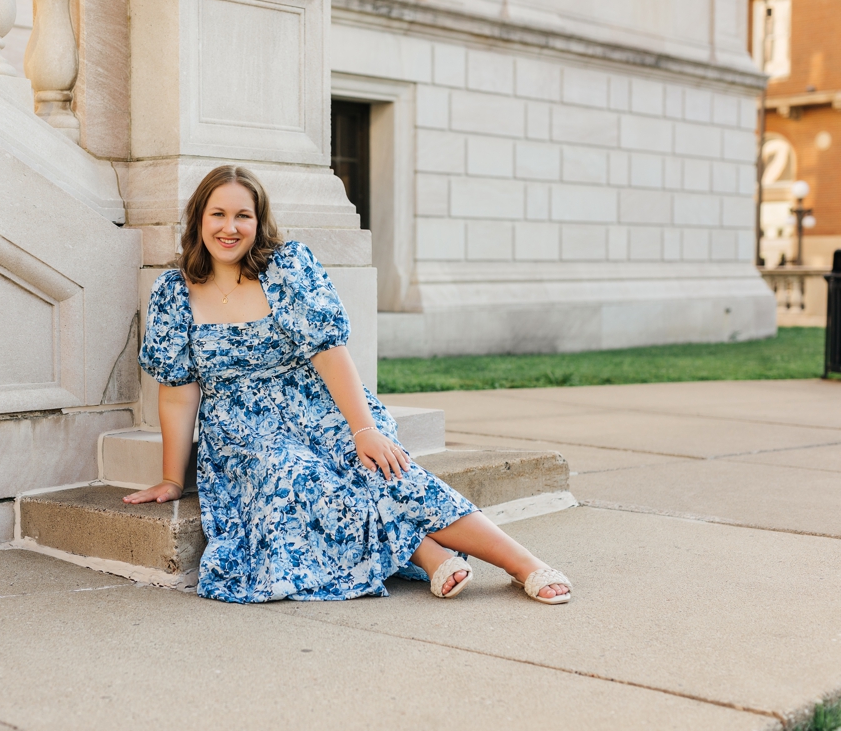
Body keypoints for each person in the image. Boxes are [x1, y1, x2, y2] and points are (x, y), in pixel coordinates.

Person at [124, 165, 572, 605]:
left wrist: (363, 430)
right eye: (218, 214)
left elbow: (329, 352)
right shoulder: (174, 293)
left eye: (244, 215)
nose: (230, 227)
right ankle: (430, 554)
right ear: (199, 218)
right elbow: (178, 392)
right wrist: (170, 476)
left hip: (317, 406)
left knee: (389, 473)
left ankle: (523, 563)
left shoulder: (286, 270)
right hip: (244, 432)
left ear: (259, 222)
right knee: (299, 474)